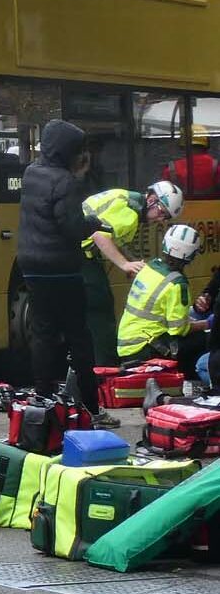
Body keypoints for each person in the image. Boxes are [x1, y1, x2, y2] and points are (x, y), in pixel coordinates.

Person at [16, 120, 106, 415]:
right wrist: (93, 224)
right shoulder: (65, 181)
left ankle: (42, 401)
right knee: (79, 336)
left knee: (43, 333)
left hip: (31, 266)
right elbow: (71, 227)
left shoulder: (31, 173)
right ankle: (91, 406)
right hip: (62, 269)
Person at [79, 179, 182, 375]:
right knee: (101, 309)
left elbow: (114, 237)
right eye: (161, 211)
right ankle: (106, 369)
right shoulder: (130, 212)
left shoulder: (127, 201)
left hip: (72, 252)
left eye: (165, 217)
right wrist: (124, 264)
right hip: (78, 256)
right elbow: (100, 236)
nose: (160, 219)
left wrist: (132, 262)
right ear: (151, 199)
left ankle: (91, 365)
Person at [117, 224, 205, 372]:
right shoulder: (177, 284)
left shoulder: (149, 267)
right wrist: (207, 324)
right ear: (191, 255)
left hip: (126, 345)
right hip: (145, 349)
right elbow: (178, 330)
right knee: (202, 339)